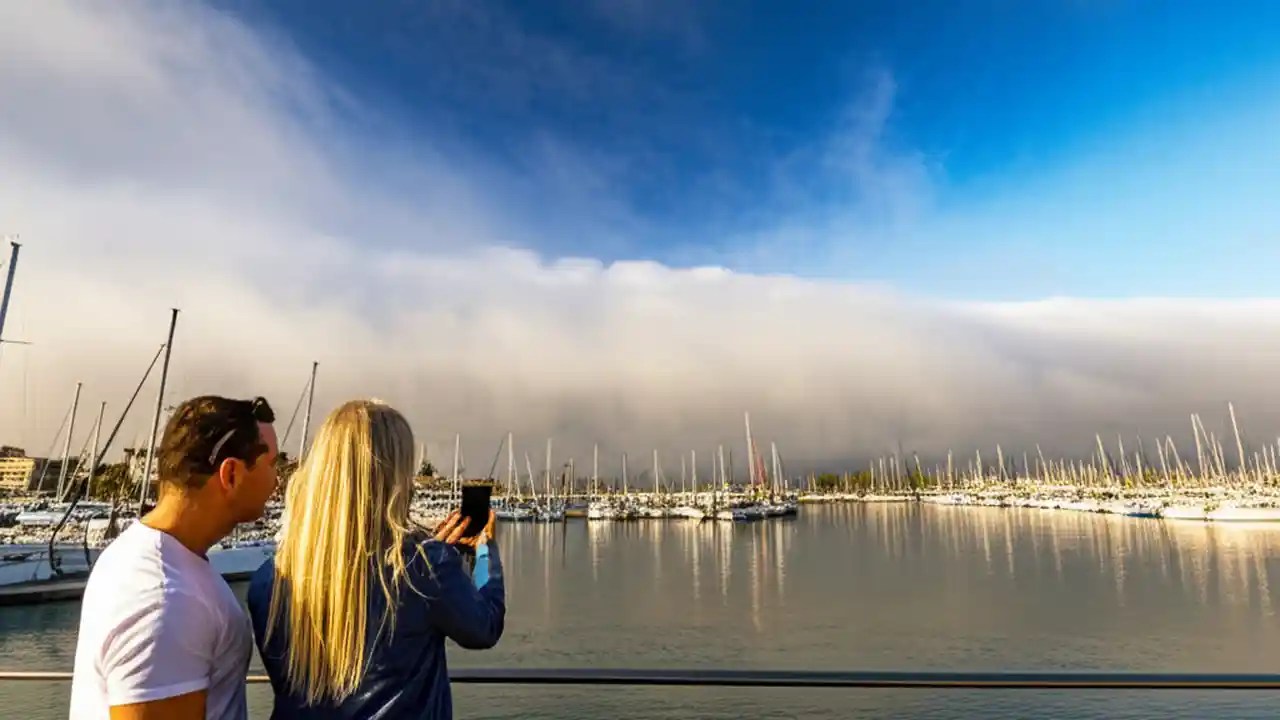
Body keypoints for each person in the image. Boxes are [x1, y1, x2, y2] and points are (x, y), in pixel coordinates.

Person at [247, 400, 504, 719]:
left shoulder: (268, 580)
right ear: (393, 478)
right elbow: (485, 627)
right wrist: (484, 552)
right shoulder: (425, 566)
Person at [70, 396, 279, 720]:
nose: (276, 480)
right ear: (232, 474)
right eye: (271, 464)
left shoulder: (148, 558)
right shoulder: (164, 598)